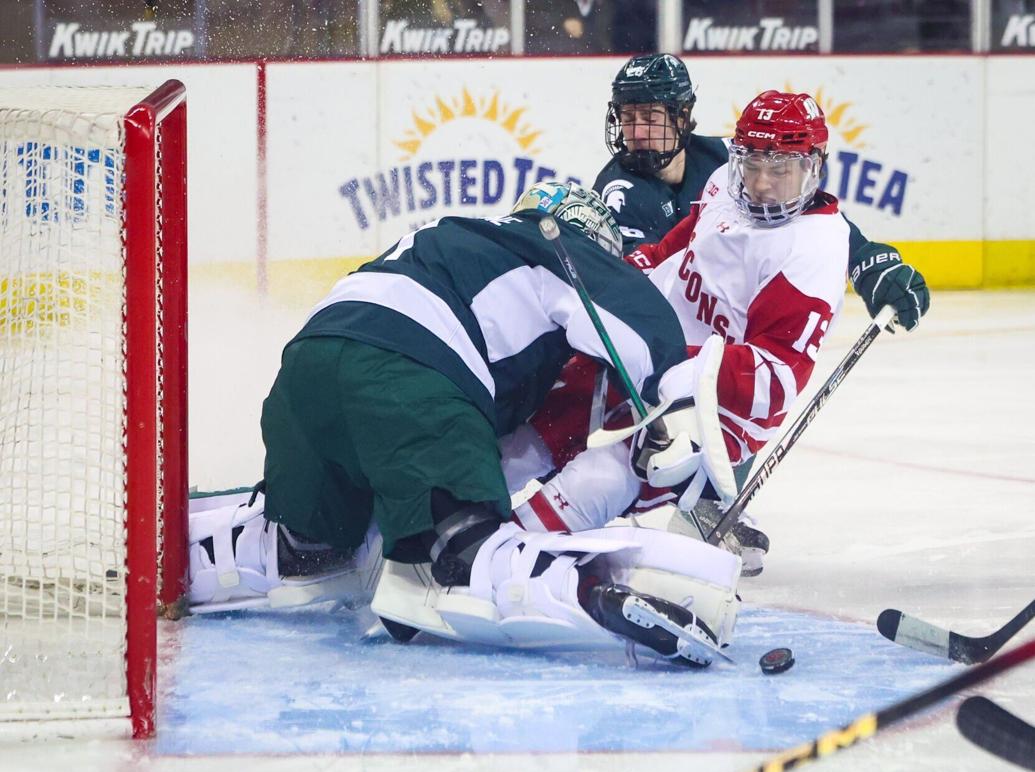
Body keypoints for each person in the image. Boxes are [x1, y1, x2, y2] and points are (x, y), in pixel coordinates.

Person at [187, 182, 743, 669]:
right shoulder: (556, 243)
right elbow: (638, 319)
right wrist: (675, 405)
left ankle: (213, 554)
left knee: (316, 542)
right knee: (467, 551)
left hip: (306, 373)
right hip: (404, 374)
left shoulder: (456, 241)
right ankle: (580, 594)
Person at [503, 90, 857, 578]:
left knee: (604, 475)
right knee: (535, 425)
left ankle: (498, 557)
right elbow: (682, 239)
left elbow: (772, 381)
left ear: (814, 167)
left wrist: (677, 365)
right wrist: (628, 275)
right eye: (752, 164)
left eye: (781, 170)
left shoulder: (812, 250)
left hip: (710, 403)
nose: (761, 183)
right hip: (647, 346)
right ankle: (445, 527)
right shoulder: (723, 186)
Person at [595, 53, 930, 334]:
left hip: (738, 332)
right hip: (678, 340)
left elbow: (808, 210)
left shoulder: (732, 159)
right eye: (627, 118)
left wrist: (868, 261)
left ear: (682, 117)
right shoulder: (619, 192)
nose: (636, 132)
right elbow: (647, 285)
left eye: (650, 117)